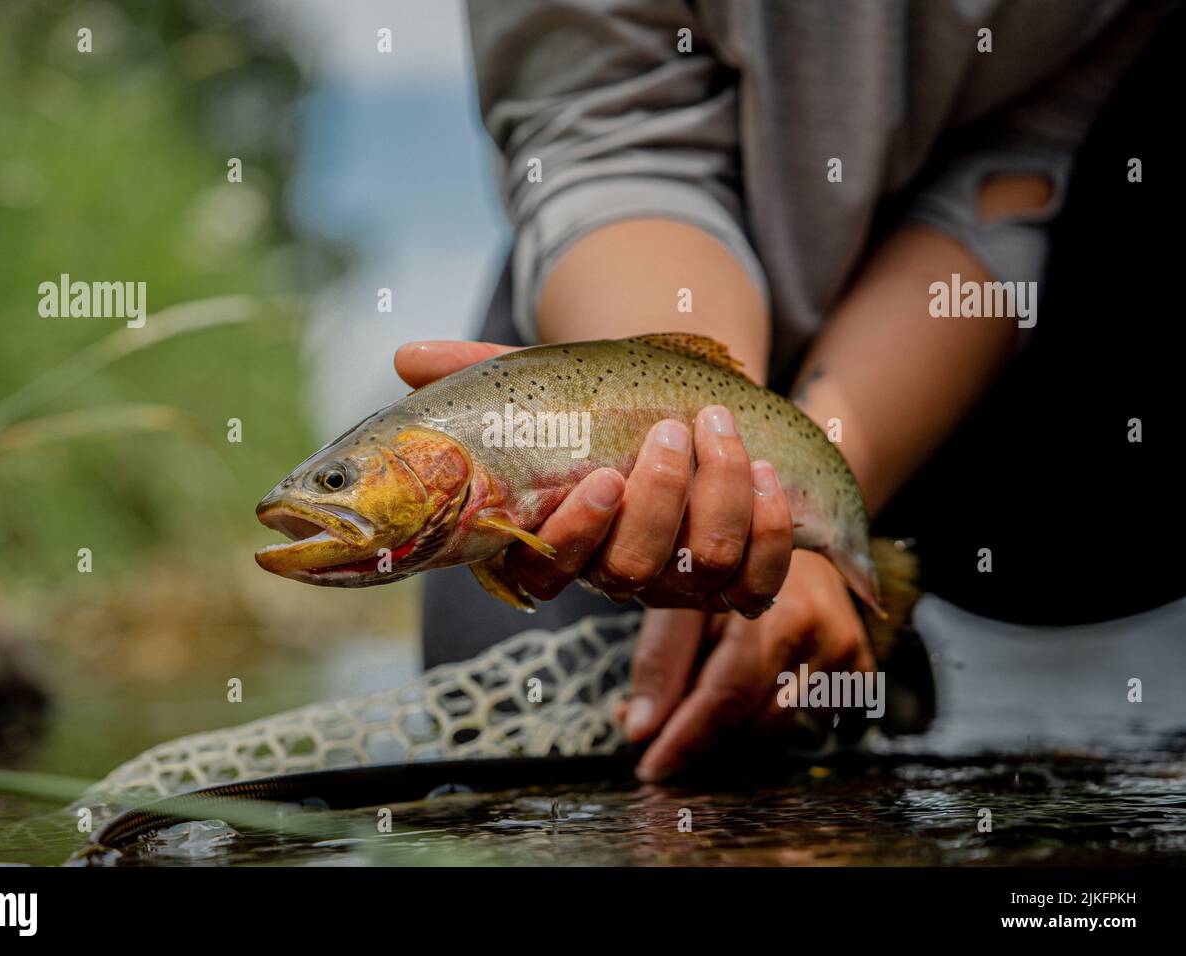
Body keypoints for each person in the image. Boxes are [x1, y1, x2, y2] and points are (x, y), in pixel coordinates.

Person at [398, 0, 1184, 782]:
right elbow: (612, 145)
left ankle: (870, 620)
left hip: (1019, 344)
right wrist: (727, 491)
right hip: (613, 274)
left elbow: (1015, 176)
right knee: (508, 758)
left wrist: (803, 516)